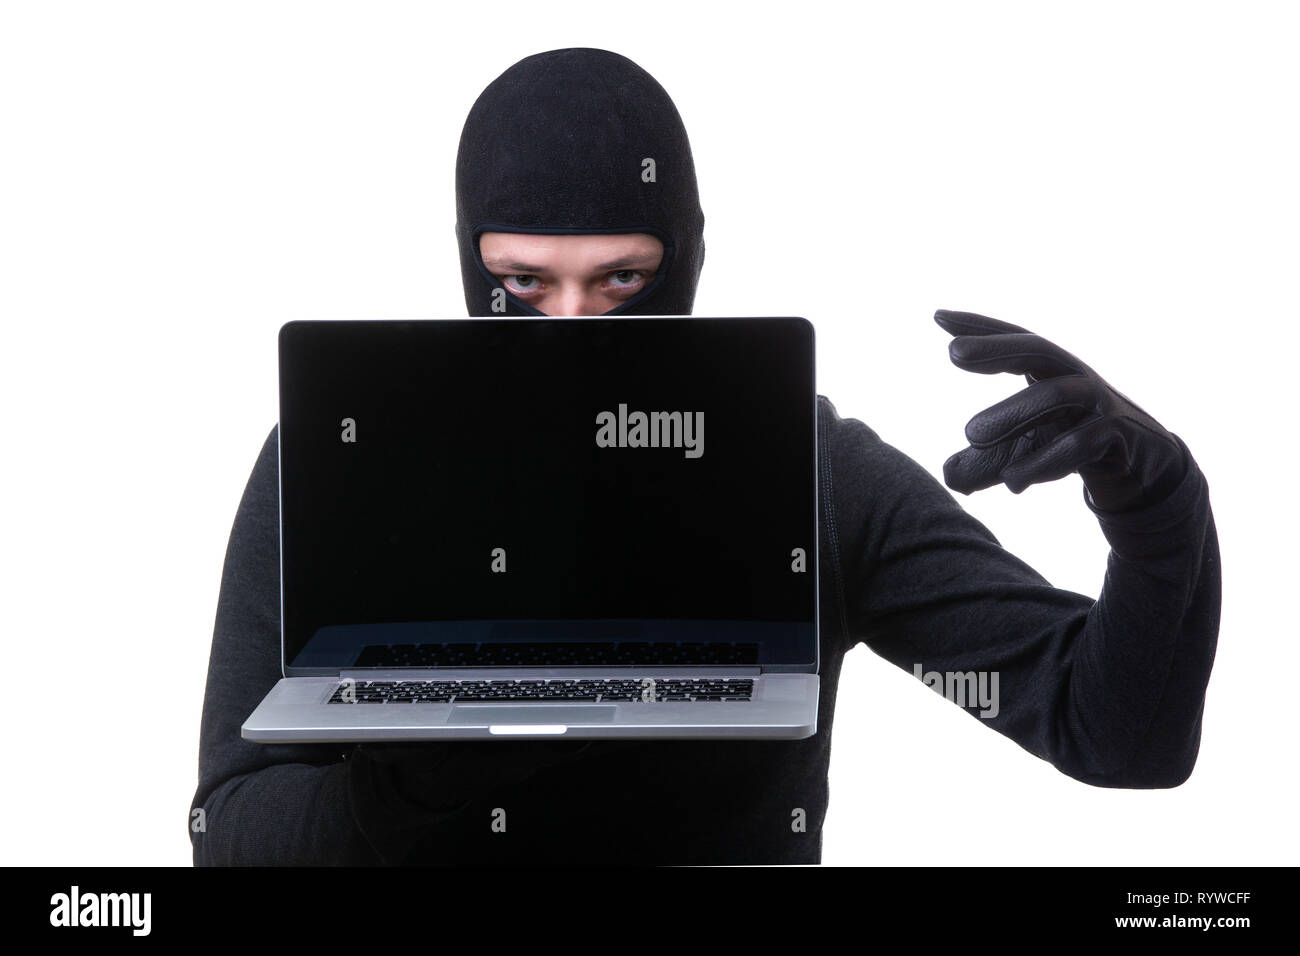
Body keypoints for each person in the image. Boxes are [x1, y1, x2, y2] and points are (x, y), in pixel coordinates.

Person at [190, 48, 1220, 865]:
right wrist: (408, 785)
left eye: (622, 279)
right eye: (521, 280)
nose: (572, 329)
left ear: (684, 258)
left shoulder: (810, 476)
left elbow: (1114, 734)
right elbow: (226, 831)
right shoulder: (337, 458)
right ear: (470, 261)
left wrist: (1157, 506)